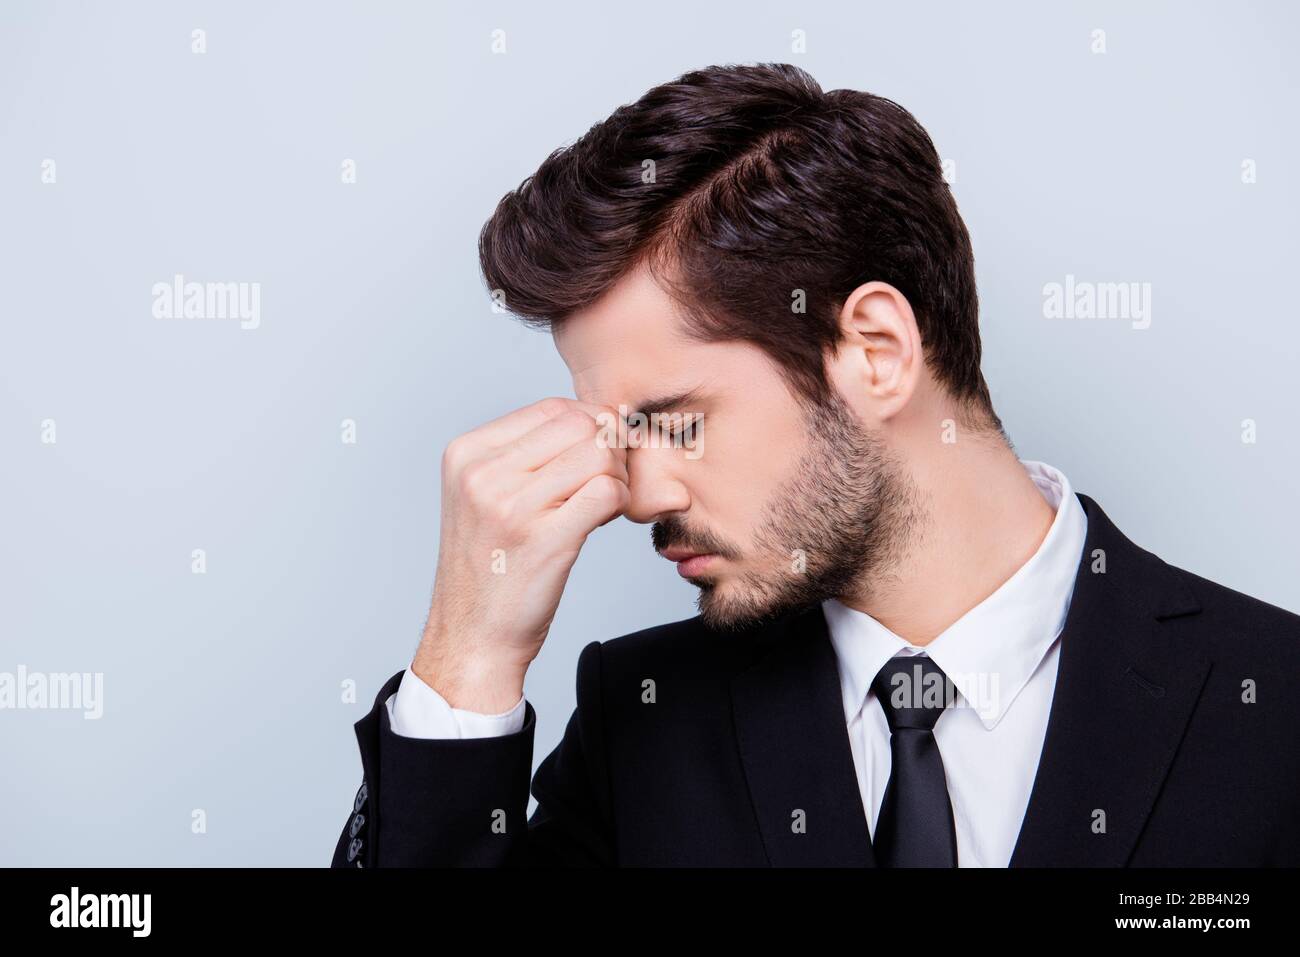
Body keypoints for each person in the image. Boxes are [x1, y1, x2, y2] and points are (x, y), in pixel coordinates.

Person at [332, 63, 1299, 868]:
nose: (640, 495)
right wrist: (467, 662)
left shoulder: (1275, 701)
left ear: (874, 351)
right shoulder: (644, 722)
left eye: (673, 421)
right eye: (613, 435)